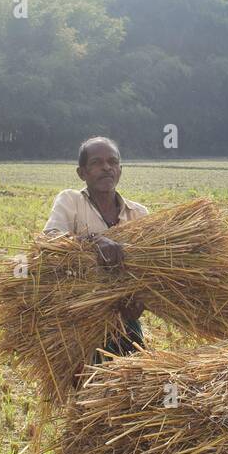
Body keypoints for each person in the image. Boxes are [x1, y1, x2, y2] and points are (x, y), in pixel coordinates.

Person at [43, 136, 150, 358]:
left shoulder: (139, 215)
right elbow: (50, 240)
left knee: (133, 383)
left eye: (113, 162)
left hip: (123, 322)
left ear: (120, 170)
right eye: (96, 163)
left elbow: (151, 272)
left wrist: (141, 301)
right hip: (78, 319)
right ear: (81, 173)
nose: (106, 168)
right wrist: (93, 241)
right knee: (87, 385)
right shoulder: (70, 201)